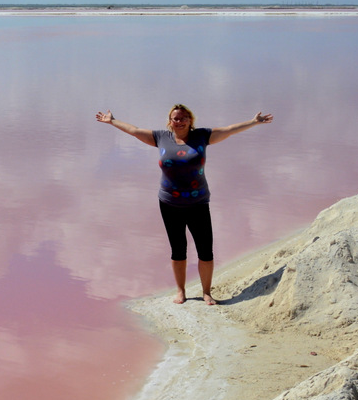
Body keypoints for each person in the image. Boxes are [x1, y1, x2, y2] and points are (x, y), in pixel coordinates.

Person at [94, 104, 273, 305]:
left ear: (190, 120)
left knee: (205, 250)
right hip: (169, 203)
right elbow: (134, 131)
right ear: (170, 121)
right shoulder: (161, 137)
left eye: (182, 118)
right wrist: (112, 121)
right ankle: (181, 291)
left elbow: (229, 130)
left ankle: (207, 292)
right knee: (178, 250)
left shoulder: (202, 136)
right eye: (175, 118)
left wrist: (253, 122)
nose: (178, 122)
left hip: (198, 203)